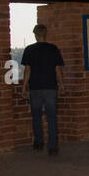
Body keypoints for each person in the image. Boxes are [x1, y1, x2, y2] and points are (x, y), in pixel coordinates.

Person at [20, 23, 64, 155]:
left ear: (35, 34)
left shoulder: (29, 50)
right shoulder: (53, 48)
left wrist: (24, 87)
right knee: (51, 117)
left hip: (35, 87)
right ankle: (53, 146)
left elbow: (27, 71)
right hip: (50, 86)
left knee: (36, 116)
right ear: (46, 34)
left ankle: (38, 142)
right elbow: (58, 70)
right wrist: (61, 84)